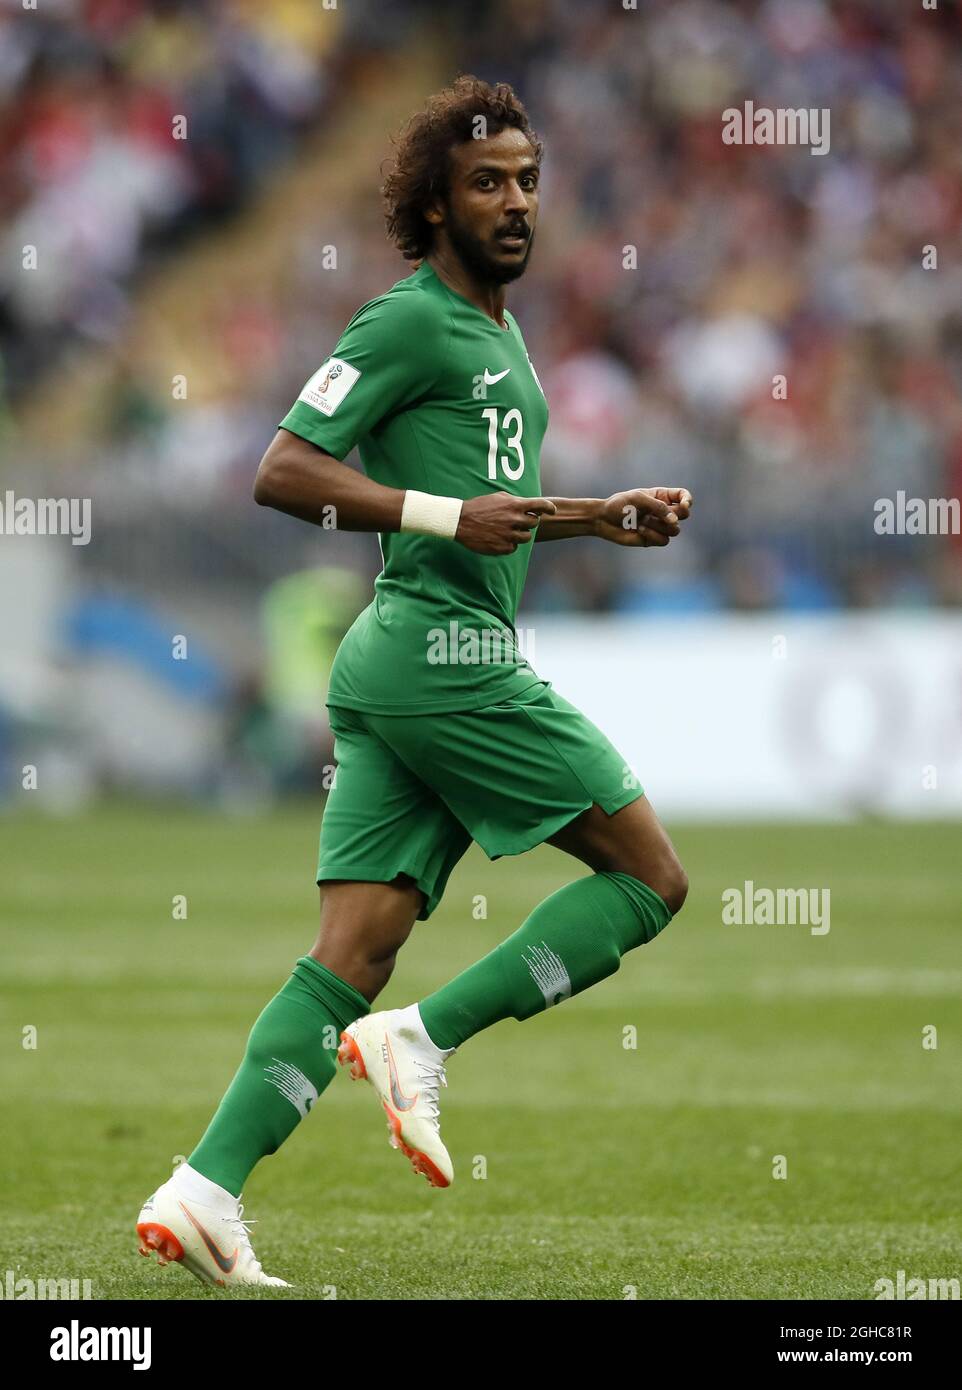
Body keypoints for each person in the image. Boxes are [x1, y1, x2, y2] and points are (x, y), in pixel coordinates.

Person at [136, 75, 691, 1289]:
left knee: (349, 954)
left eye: (528, 180)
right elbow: (282, 469)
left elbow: (491, 513)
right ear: (433, 204)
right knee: (650, 878)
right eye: (486, 181)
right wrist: (440, 511)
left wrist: (602, 515)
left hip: (406, 666)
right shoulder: (404, 321)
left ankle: (202, 1190)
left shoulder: (498, 334)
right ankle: (420, 1043)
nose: (514, 201)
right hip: (441, 658)